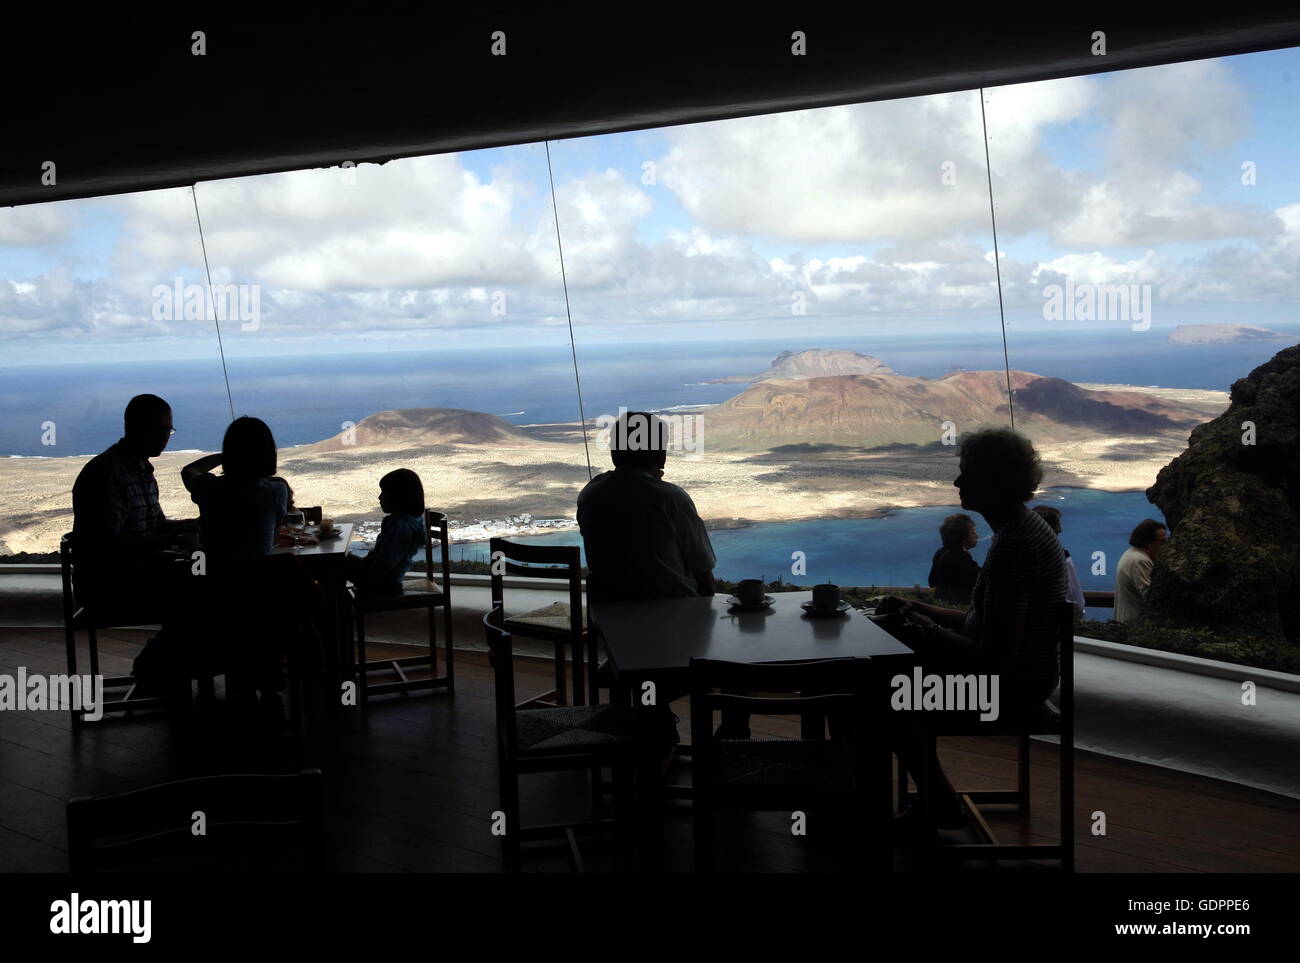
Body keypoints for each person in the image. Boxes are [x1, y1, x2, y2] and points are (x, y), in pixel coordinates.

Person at [877, 427, 1067, 833]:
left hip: (1008, 691)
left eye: (967, 473)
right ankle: (934, 801)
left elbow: (993, 661)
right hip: (1027, 677)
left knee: (884, 697)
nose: (957, 481)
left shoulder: (1014, 547)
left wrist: (923, 630)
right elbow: (980, 622)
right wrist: (917, 608)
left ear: (994, 480)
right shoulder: (1022, 530)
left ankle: (934, 803)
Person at [577, 411, 722, 748]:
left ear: (614, 453)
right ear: (662, 454)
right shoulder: (671, 498)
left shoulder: (591, 494)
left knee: (647, 685)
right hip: (668, 643)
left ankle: (652, 725)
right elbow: (704, 574)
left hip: (617, 638)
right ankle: (729, 738)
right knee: (734, 664)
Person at [180, 417, 294, 715]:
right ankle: (271, 689)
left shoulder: (209, 488)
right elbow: (275, 530)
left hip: (215, 594)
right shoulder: (276, 492)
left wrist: (224, 457)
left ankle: (234, 689)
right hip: (264, 594)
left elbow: (188, 470)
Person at [345, 469, 426, 597]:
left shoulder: (400, 526)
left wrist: (365, 584)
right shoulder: (407, 521)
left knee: (332, 562)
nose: (379, 497)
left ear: (398, 496)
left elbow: (385, 563)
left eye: (384, 492)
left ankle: (339, 608)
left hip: (384, 584)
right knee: (338, 560)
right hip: (385, 579)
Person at [1032, 505, 1086, 619]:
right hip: (1052, 623)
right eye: (1057, 524)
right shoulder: (1061, 556)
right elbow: (1075, 598)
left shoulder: (1019, 554)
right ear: (1048, 528)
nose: (1060, 530)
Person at [1114, 518, 1167, 623]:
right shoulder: (1140, 561)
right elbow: (1150, 596)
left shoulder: (1131, 553)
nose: (1166, 545)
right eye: (1162, 541)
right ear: (1149, 543)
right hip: (1134, 623)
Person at [927, 513, 980, 605]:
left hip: (941, 603)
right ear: (963, 538)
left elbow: (932, 581)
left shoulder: (940, 552)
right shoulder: (960, 557)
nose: (977, 535)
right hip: (957, 607)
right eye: (973, 532)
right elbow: (980, 579)